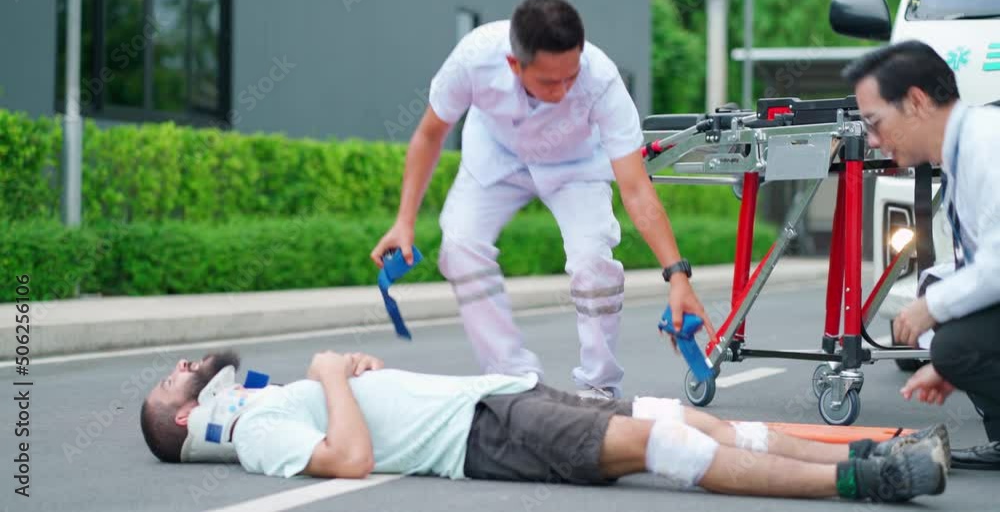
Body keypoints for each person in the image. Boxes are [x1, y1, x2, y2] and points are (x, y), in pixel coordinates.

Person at [369, 0, 713, 400]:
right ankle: (512, 376)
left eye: (571, 77)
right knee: (458, 246)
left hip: (576, 165)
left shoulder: (601, 79)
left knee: (592, 262)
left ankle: (599, 386)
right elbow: (430, 134)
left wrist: (677, 275)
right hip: (496, 155)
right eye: (550, 81)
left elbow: (636, 188)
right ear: (515, 65)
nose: (564, 90)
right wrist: (404, 221)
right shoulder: (474, 58)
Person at [139, 349, 950, 503]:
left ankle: (879, 450)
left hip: (496, 397)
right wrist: (326, 374)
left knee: (684, 415)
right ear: (187, 413)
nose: (182, 364)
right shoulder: (250, 431)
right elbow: (346, 459)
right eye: (172, 378)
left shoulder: (267, 400)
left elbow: (351, 422)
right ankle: (860, 480)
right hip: (481, 436)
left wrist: (351, 377)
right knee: (661, 446)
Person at [844, 40, 1000, 470]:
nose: (872, 141)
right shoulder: (964, 149)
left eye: (875, 123)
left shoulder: (988, 146)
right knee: (954, 331)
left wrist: (929, 310)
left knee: (949, 331)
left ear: (916, 102)